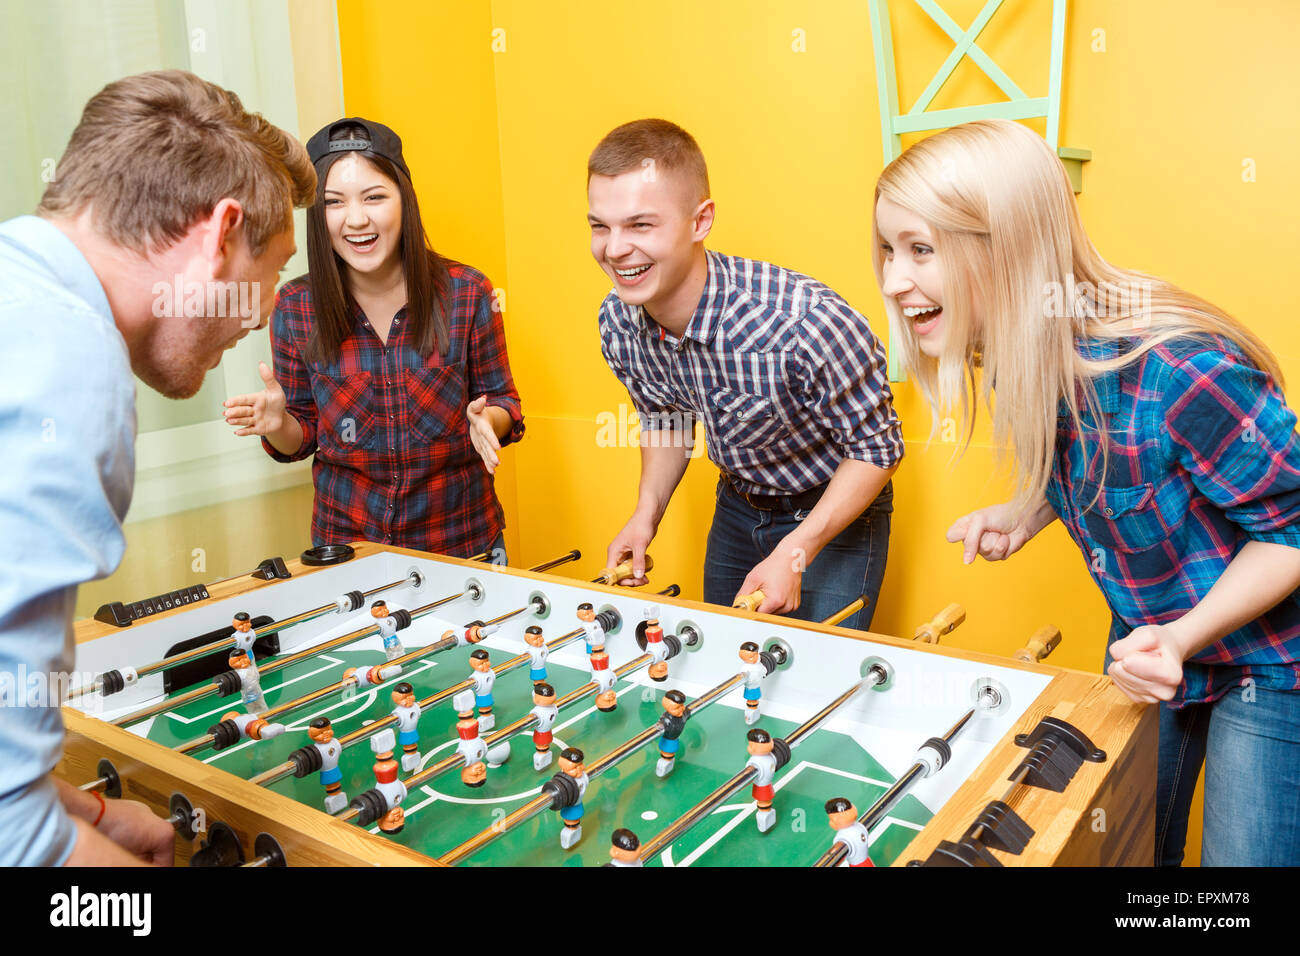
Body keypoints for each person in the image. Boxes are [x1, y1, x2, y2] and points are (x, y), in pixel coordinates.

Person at [873, 118, 1300, 866]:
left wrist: (1182, 638)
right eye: (888, 249)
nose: (893, 279)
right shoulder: (1017, 348)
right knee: (1124, 848)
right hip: (1151, 634)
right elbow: (1104, 460)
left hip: (1274, 664)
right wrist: (1026, 511)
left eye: (921, 250)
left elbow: (1292, 530)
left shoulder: (1178, 370)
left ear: (1004, 249)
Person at [0, 69, 313, 865]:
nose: (267, 309)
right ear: (220, 234)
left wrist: (88, 816)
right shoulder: (72, 370)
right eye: (273, 265)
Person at [589, 119, 902, 629]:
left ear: (700, 221)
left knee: (819, 685)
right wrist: (645, 517)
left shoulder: (805, 322)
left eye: (640, 225)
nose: (614, 248)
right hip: (737, 506)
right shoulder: (618, 321)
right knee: (730, 669)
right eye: (600, 226)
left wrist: (795, 550)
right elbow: (666, 417)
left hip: (831, 512)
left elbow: (877, 449)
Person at [224, 118, 524, 560]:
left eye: (375, 197)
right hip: (347, 551)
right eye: (334, 202)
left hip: (462, 543)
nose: (357, 219)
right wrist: (279, 426)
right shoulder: (295, 306)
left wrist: (488, 421)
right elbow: (302, 435)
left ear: (404, 200)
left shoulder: (468, 293)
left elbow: (505, 404)